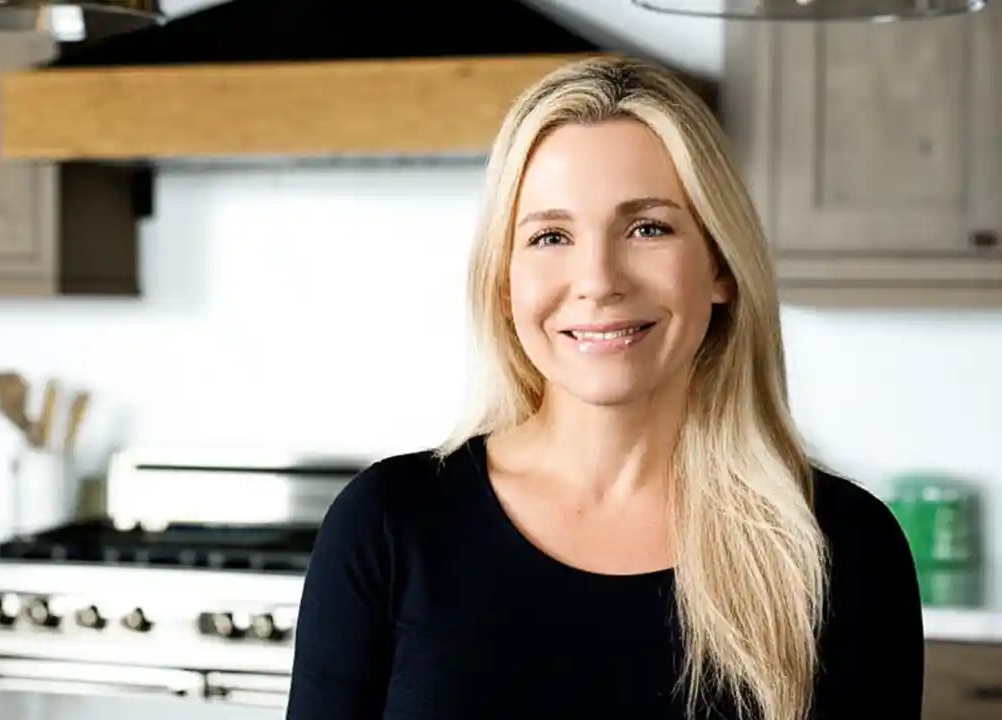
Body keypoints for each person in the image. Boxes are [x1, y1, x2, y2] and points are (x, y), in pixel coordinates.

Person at [284, 54, 924, 720]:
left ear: (720, 267)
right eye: (550, 235)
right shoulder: (388, 525)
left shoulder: (844, 548)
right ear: (504, 281)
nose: (598, 279)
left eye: (649, 228)